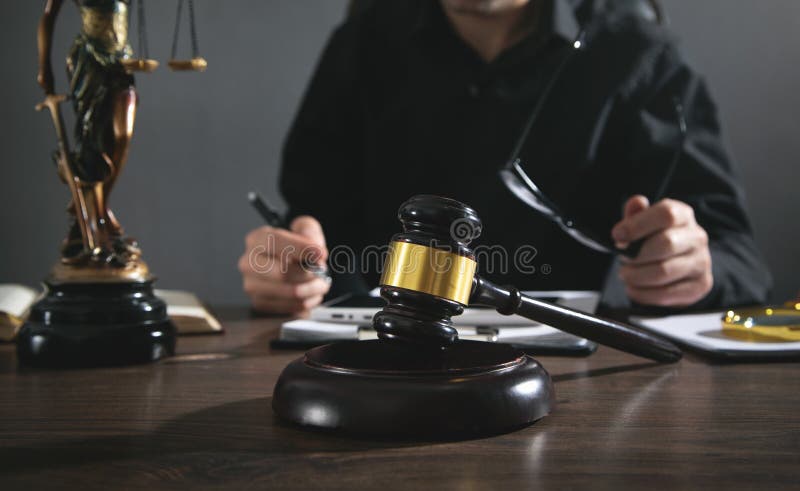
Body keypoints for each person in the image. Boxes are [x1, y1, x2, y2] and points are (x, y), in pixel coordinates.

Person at [239, 0, 771, 315]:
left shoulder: (638, 53)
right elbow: (313, 233)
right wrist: (289, 270)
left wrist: (696, 269)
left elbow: (738, 257)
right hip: (385, 368)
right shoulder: (363, 43)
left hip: (582, 384)